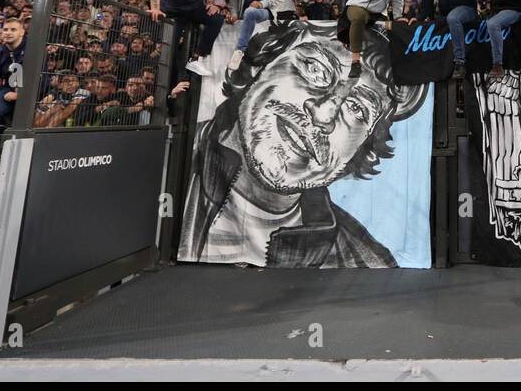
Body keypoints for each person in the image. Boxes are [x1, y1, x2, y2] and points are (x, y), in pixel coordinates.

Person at [179, 21, 427, 266]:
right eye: (316, 69)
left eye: (357, 108)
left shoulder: (364, 260)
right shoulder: (171, 170)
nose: (323, 116)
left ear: (363, 147)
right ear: (261, 66)